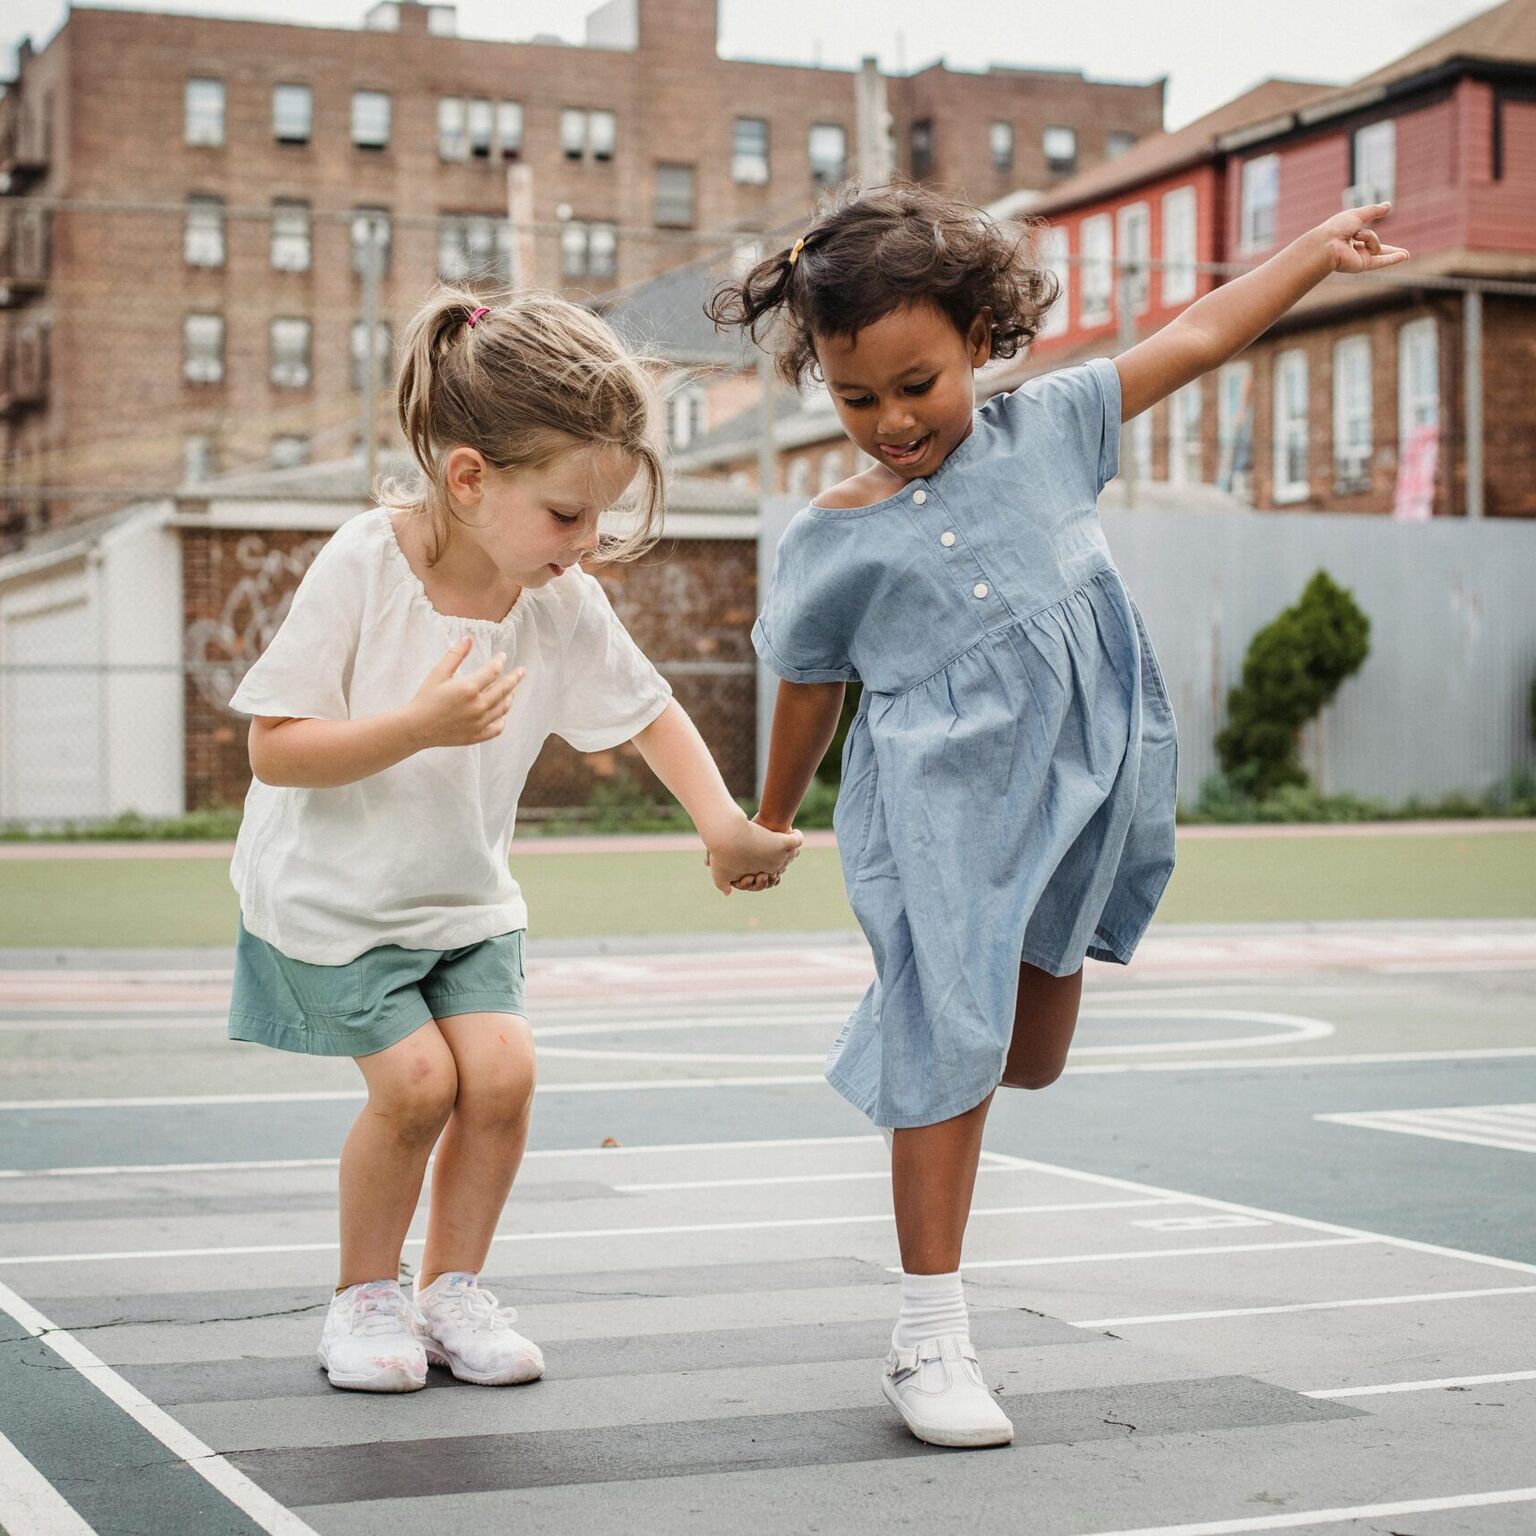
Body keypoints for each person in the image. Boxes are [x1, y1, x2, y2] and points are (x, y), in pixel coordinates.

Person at [709, 181, 1406, 1447]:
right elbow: (811, 687)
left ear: (980, 338)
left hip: (1089, 790)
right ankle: (929, 1338)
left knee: (1030, 1055)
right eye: (857, 398)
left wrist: (1308, 251)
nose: (891, 421)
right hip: (942, 805)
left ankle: (954, 1075)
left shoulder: (1055, 429)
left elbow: (1194, 338)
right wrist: (766, 822)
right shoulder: (829, 541)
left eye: (915, 383)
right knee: (949, 1039)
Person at [226, 288, 801, 1393]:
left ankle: (449, 1292)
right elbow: (277, 751)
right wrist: (415, 728)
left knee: (500, 1073)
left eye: (600, 517)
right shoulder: (362, 566)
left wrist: (724, 825)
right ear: (471, 478)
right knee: (414, 1087)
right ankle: (363, 1298)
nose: (586, 545)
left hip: (460, 897)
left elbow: (647, 709)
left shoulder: (559, 599)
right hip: (331, 901)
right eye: (567, 515)